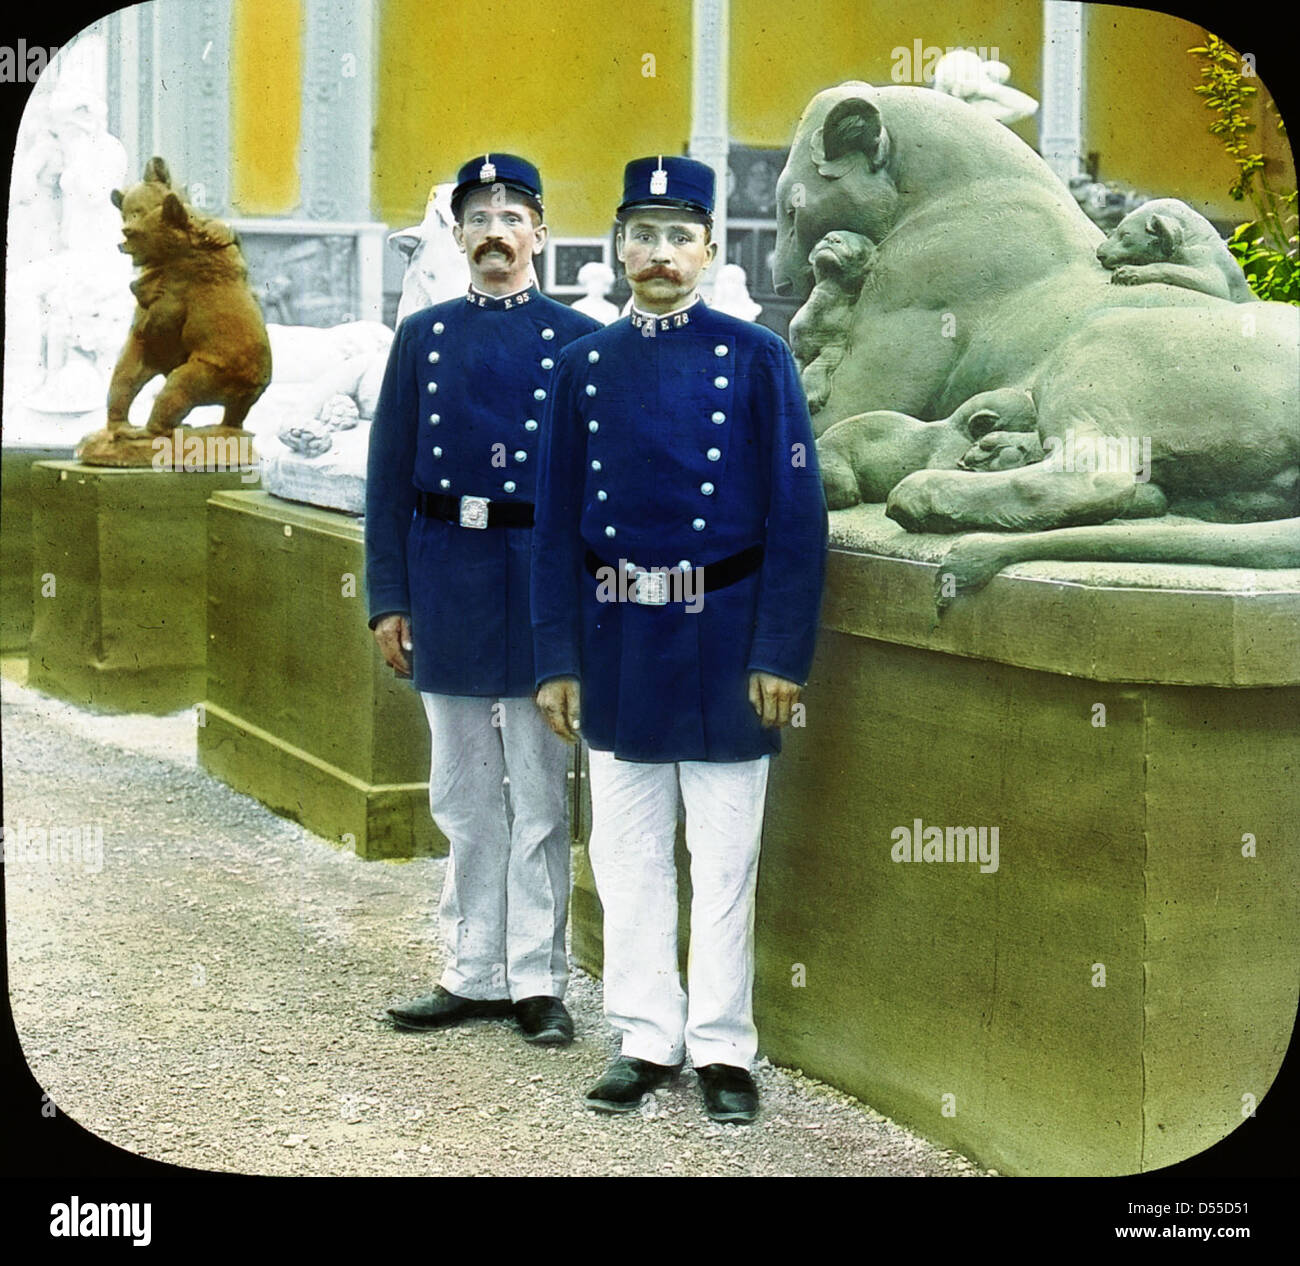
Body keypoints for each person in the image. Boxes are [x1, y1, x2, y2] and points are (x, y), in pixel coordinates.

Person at [531, 156, 828, 1121]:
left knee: (726, 854)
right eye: (642, 237)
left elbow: (797, 514)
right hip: (617, 641)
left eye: (678, 238)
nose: (659, 256)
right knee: (625, 854)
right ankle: (646, 1036)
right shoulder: (582, 367)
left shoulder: (757, 359)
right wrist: (557, 660)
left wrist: (780, 652)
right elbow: (554, 525)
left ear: (708, 249)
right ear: (619, 248)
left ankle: (723, 1050)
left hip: (727, 640)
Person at [366, 154, 601, 1047]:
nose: (495, 234)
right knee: (463, 793)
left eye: (512, 218)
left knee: (541, 795)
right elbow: (386, 477)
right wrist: (390, 596)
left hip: (538, 583)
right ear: (457, 236)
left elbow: (590, 491)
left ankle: (538, 980)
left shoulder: (578, 341)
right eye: (477, 219)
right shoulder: (422, 338)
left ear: (540, 235)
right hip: (448, 582)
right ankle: (470, 970)